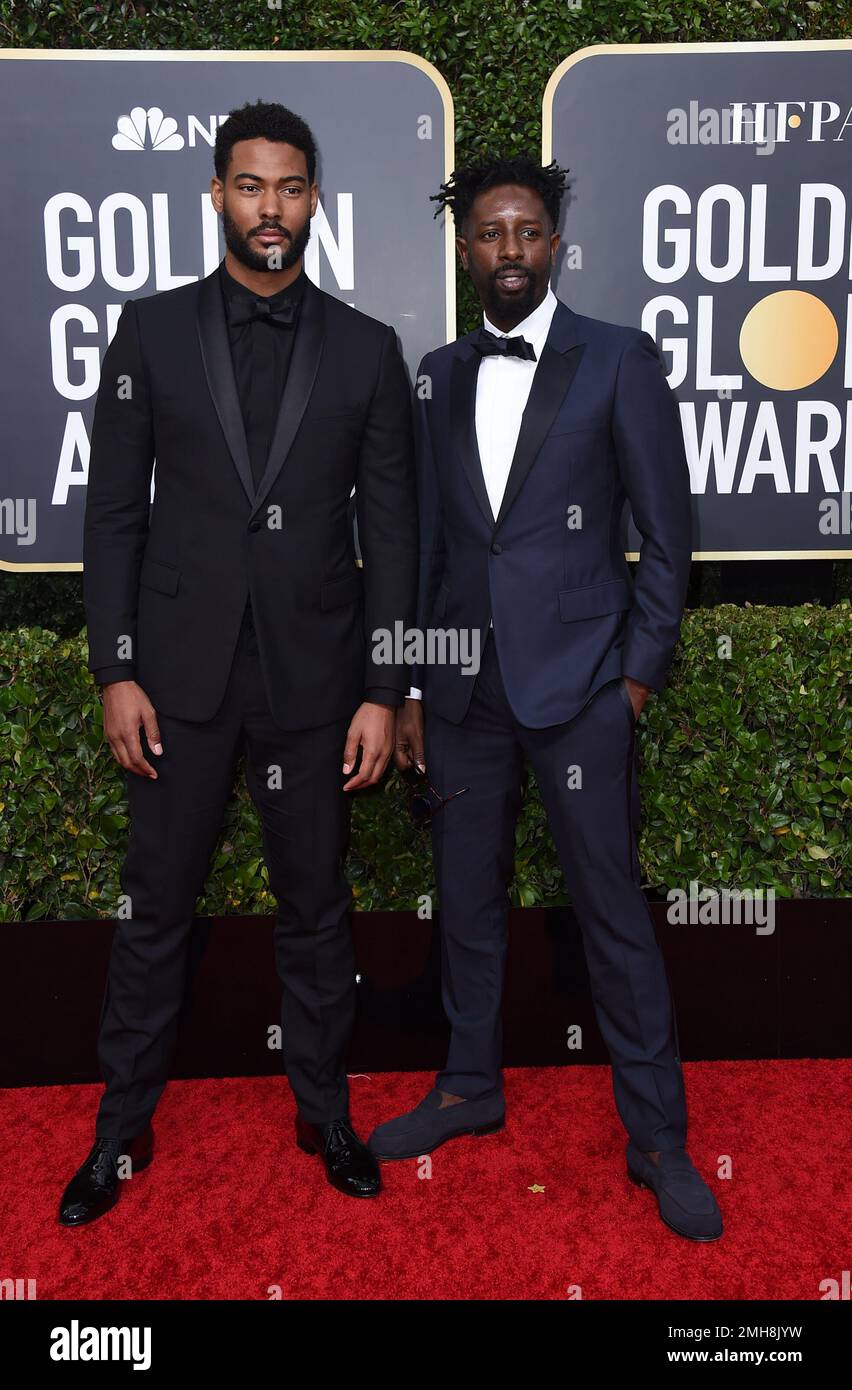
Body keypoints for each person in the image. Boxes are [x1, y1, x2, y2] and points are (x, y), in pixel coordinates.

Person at [59, 100, 417, 1224]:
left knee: (316, 908)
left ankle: (324, 1112)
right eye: (251, 186)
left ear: (315, 200)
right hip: (175, 679)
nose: (273, 208)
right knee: (155, 907)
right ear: (217, 193)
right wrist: (116, 666)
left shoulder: (367, 349)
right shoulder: (149, 334)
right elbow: (113, 511)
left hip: (316, 684)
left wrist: (383, 685)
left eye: (292, 188)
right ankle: (119, 1131)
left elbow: (396, 535)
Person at [370, 156, 722, 1242]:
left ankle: (657, 1135)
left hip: (582, 694)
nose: (509, 248)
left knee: (613, 918)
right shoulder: (435, 374)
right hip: (466, 691)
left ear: (553, 245)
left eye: (526, 230)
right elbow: (428, 543)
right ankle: (470, 1084)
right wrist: (422, 680)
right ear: (466, 250)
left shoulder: (618, 359)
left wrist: (634, 680)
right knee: (465, 907)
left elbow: (670, 539)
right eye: (489, 233)